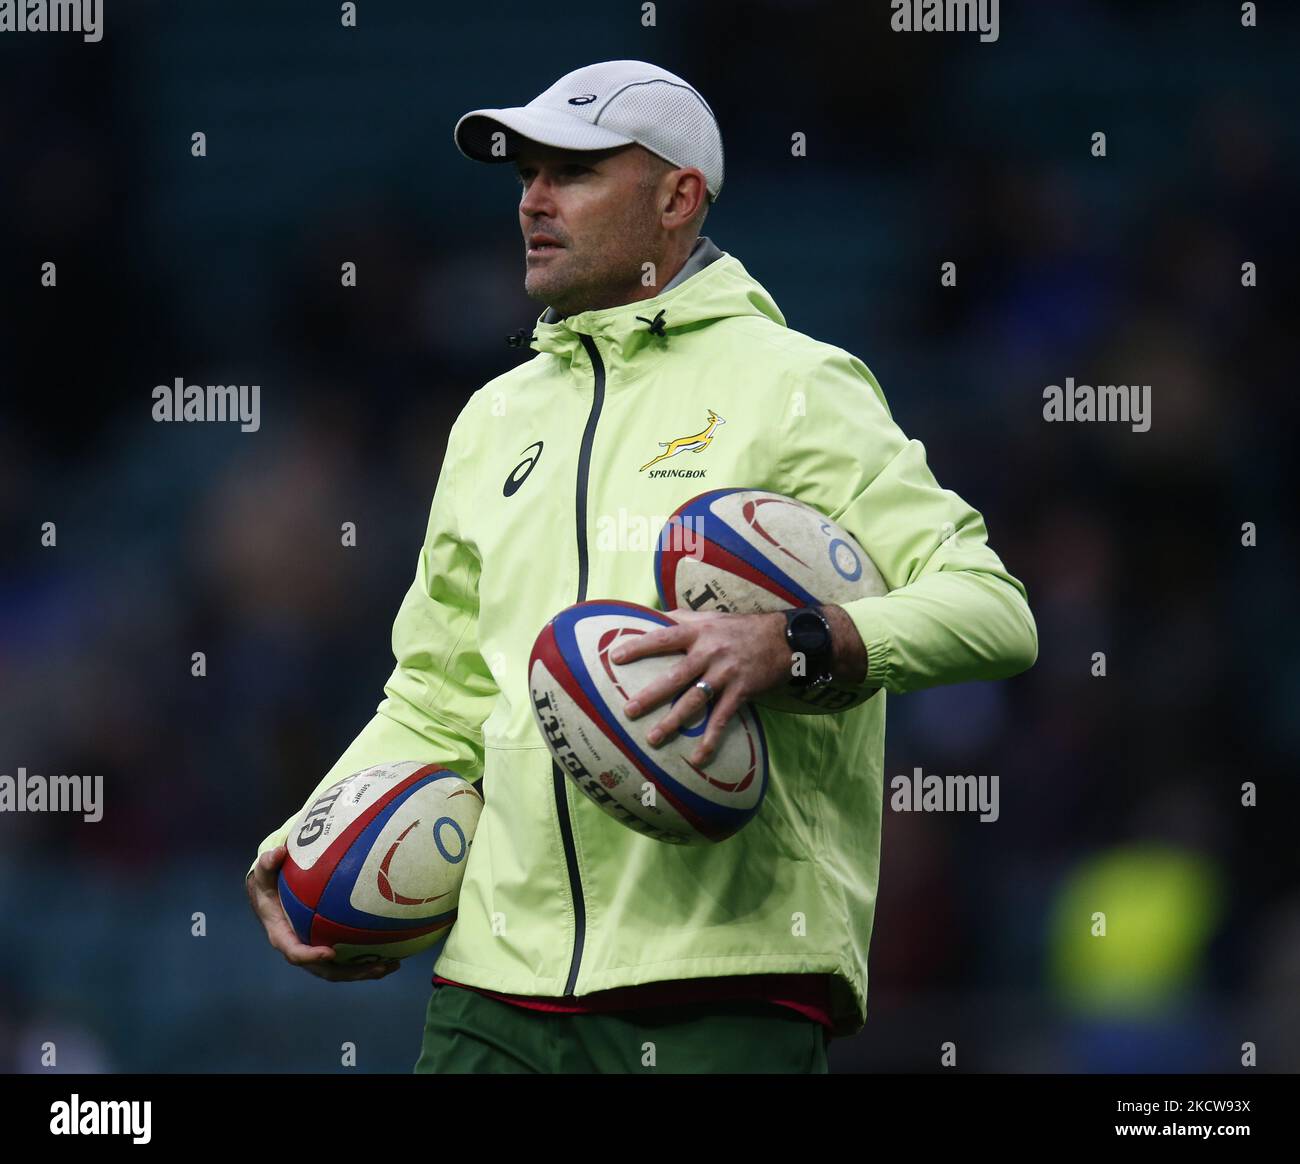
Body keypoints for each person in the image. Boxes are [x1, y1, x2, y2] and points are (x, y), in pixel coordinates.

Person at [245, 59, 1038, 1074]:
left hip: (727, 979)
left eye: (571, 172)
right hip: (492, 987)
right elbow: (440, 692)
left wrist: (798, 642)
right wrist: (309, 836)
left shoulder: (796, 386)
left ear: (678, 196)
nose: (532, 199)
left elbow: (993, 611)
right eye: (525, 174)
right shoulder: (494, 419)